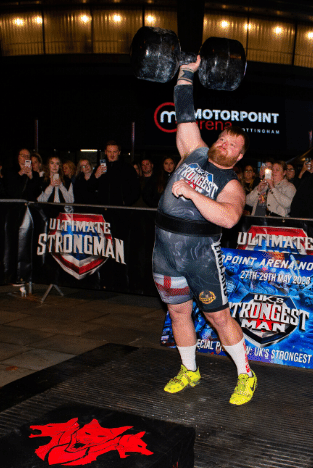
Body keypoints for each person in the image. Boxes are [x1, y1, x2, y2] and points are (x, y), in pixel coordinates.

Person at [153, 56, 256, 405]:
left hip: (200, 256)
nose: (225, 145)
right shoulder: (192, 150)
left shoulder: (232, 184)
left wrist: (193, 193)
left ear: (239, 157)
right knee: (178, 312)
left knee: (217, 316)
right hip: (164, 251)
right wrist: (186, 72)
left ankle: (246, 374)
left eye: (233, 146)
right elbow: (184, 109)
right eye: (224, 139)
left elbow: (228, 219)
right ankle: (189, 370)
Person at [88, 141, 140, 206]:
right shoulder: (99, 167)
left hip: (120, 210)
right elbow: (90, 188)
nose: (112, 155)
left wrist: (125, 202)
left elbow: (136, 189)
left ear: (119, 152)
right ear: (105, 152)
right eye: (109, 151)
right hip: (103, 209)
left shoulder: (127, 168)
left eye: (114, 152)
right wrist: (95, 176)